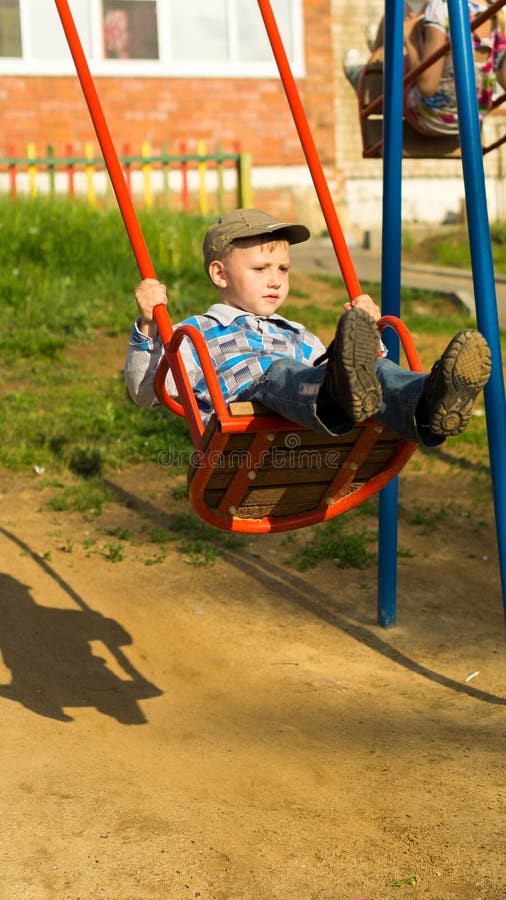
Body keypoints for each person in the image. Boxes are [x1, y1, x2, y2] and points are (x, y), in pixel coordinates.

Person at [124, 208, 491, 449]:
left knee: (365, 369)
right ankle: (337, 394)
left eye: (283, 270)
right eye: (261, 269)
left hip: (312, 423)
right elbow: (147, 392)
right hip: (248, 427)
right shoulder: (195, 332)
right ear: (219, 274)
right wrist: (148, 326)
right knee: (280, 373)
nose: (275, 281)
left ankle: (431, 401)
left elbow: (355, 373)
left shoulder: (296, 333)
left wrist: (368, 333)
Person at [344, 0, 506, 136]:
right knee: (424, 23)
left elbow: (427, 87)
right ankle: (382, 52)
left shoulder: (442, 7)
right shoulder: (497, 12)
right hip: (470, 121)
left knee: (397, 9)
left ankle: (368, 77)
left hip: (431, 118)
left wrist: (409, 39)